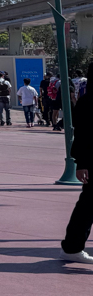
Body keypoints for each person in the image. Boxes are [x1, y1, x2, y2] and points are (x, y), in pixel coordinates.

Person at [59, 88, 93, 263]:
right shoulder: (88, 101)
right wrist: (81, 163)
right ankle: (72, 247)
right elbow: (82, 134)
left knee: (87, 206)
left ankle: (72, 247)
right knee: (87, 206)